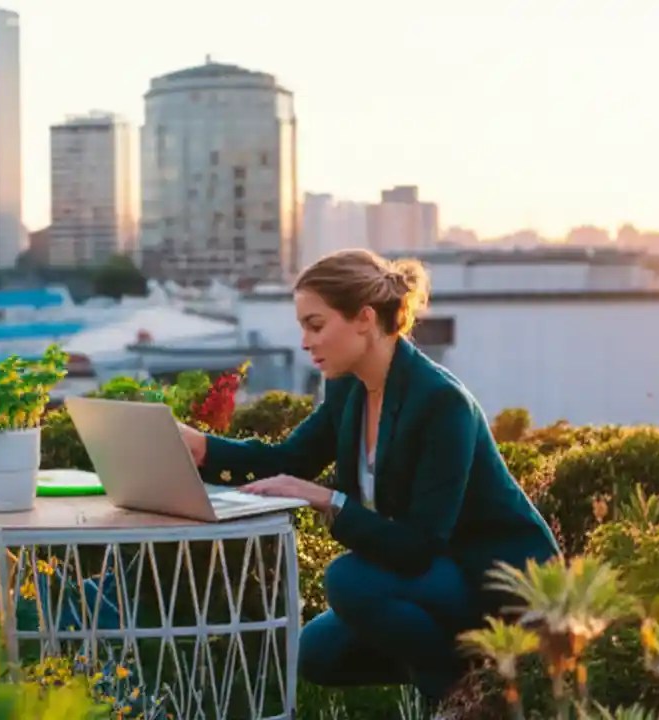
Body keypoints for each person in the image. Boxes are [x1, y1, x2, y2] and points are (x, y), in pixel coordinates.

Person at [178, 249, 559, 706]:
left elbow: (421, 545)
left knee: (348, 581)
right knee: (317, 651)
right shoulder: (349, 386)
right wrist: (201, 446)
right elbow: (291, 458)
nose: (304, 341)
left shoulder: (441, 402)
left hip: (496, 585)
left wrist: (330, 501)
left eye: (315, 325)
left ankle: (460, 700)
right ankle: (461, 675)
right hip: (437, 578)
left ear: (363, 319)